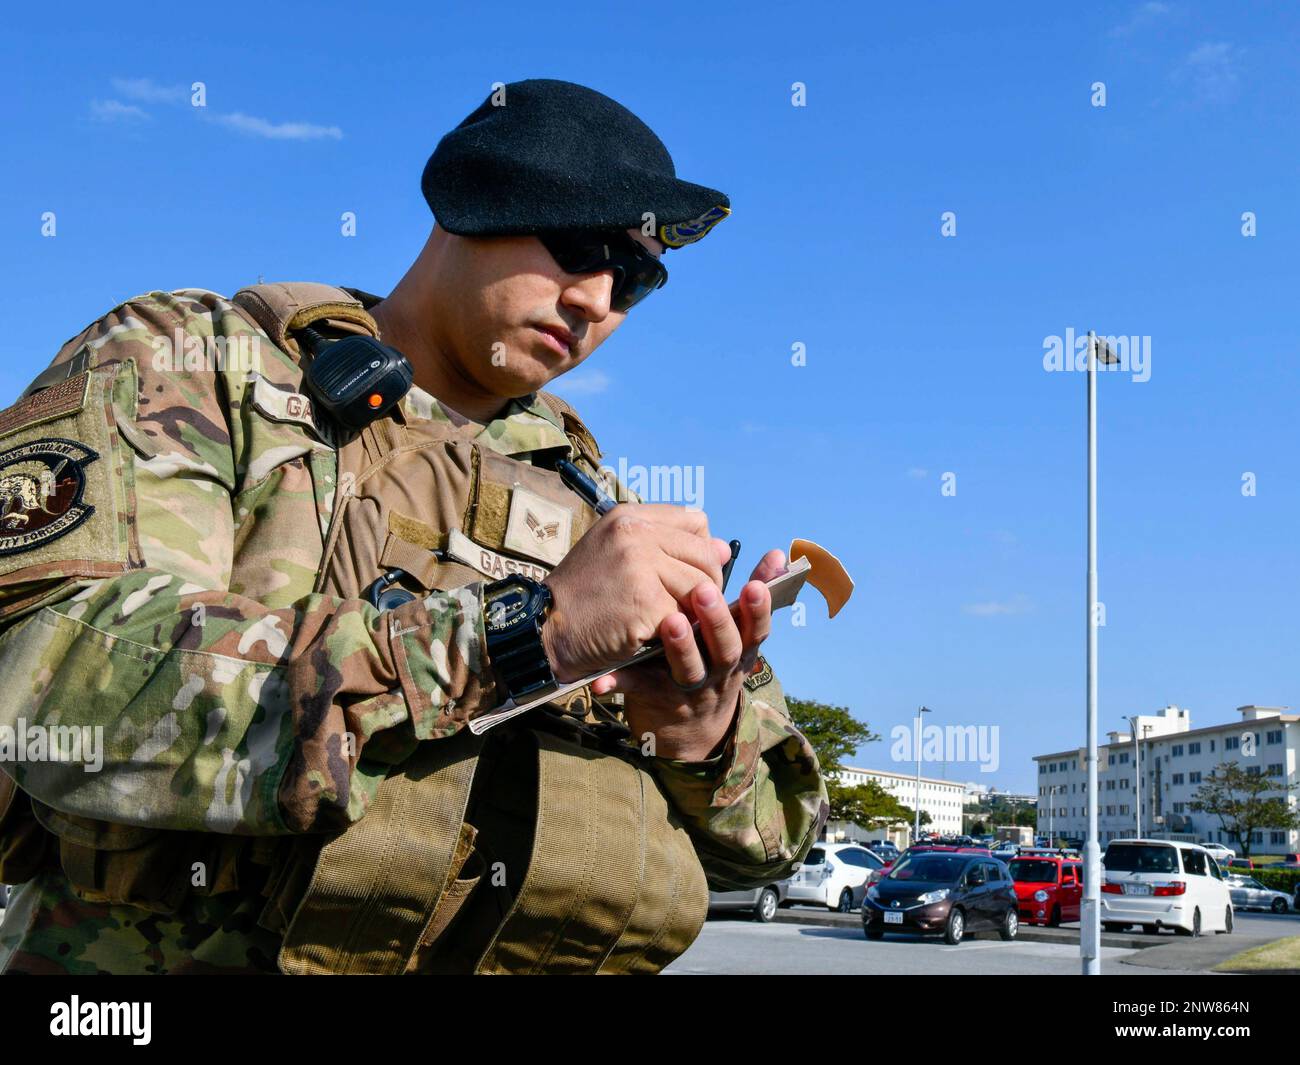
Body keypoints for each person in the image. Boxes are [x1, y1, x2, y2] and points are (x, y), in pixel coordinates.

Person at [0, 79, 827, 974]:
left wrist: (700, 725)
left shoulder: (596, 507)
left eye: (633, 277)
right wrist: (521, 635)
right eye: (579, 245)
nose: (597, 300)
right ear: (475, 200)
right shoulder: (195, 364)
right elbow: (52, 681)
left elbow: (773, 839)